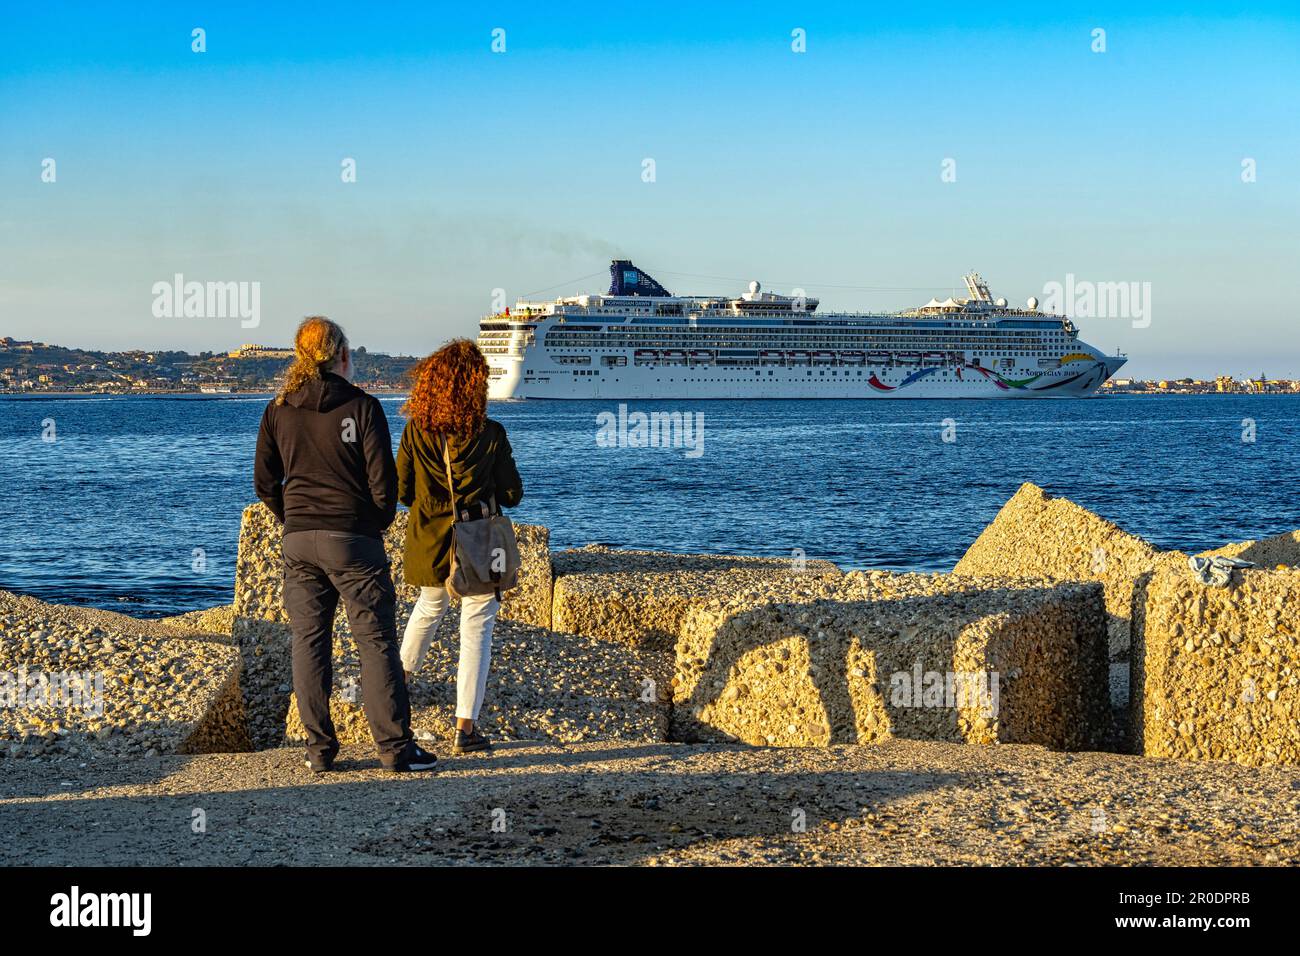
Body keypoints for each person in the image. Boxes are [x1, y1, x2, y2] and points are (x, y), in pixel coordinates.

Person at [254, 316, 438, 773]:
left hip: (299, 540)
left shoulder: (278, 408)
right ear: (341, 355)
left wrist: (292, 517)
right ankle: (394, 748)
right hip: (353, 539)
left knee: (309, 641)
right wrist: (371, 523)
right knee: (375, 642)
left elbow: (264, 481)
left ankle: (318, 751)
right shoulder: (363, 407)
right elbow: (384, 485)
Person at [396, 339, 523, 754]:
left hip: (431, 540)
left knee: (428, 607)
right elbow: (513, 493)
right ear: (475, 387)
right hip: (478, 541)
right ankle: (465, 728)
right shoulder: (490, 433)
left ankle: (397, 690)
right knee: (477, 628)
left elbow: (401, 490)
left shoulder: (416, 430)